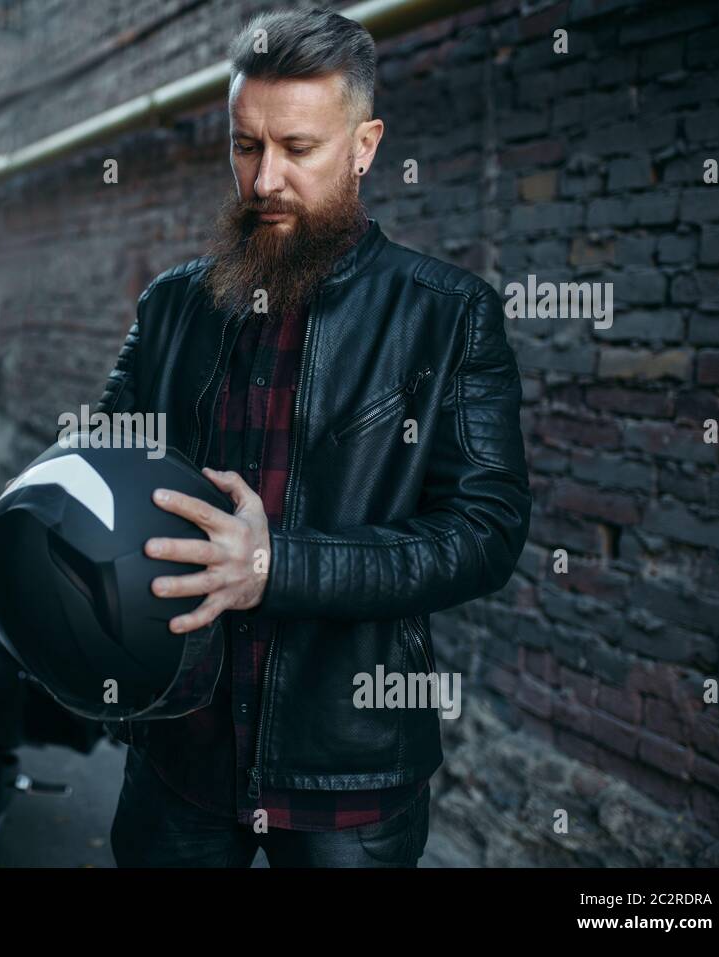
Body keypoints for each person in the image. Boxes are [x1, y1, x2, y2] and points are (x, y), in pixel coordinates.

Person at [96, 8, 531, 867]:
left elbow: (486, 533)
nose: (263, 181)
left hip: (349, 773)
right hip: (178, 748)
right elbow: (100, 468)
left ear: (365, 146)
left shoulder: (448, 316)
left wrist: (277, 566)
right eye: (245, 146)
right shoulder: (173, 305)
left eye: (298, 149)